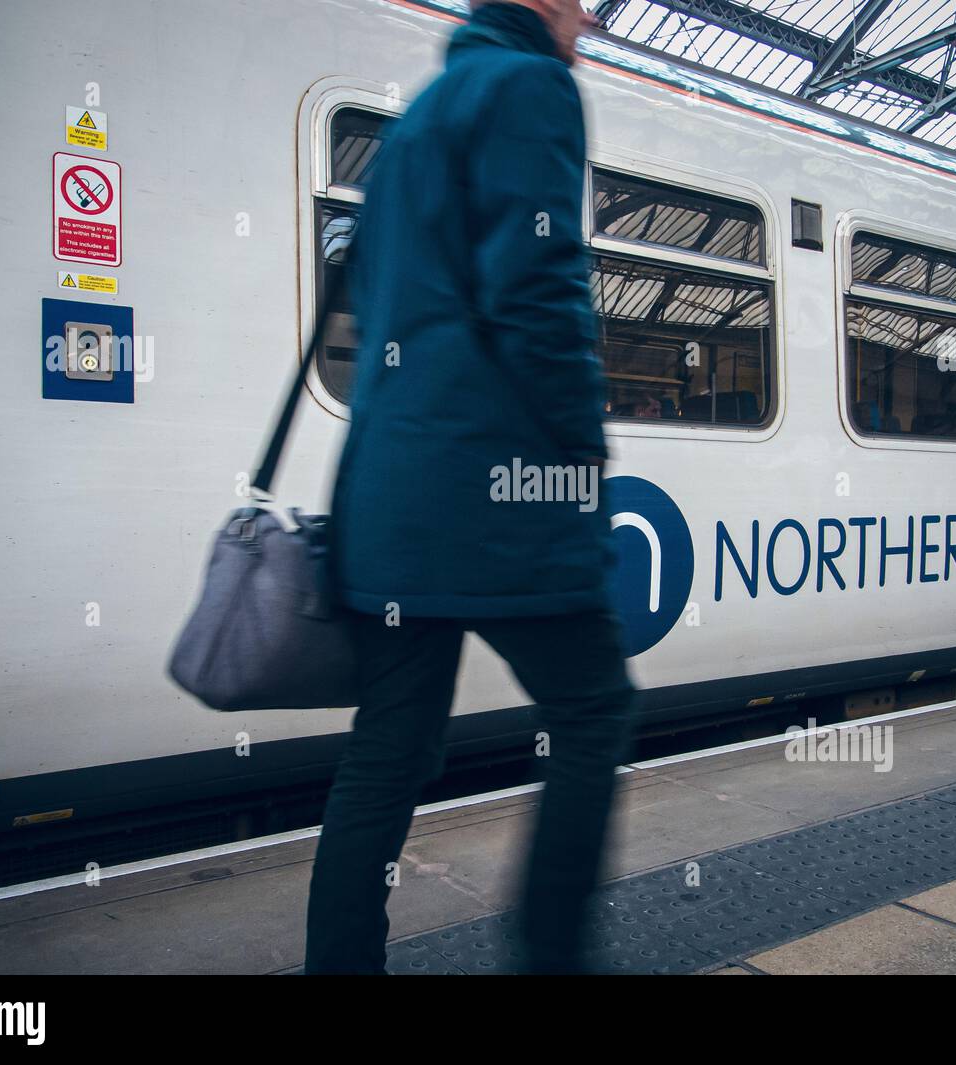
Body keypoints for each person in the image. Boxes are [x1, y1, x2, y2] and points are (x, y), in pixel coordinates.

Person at [304, 0, 635, 975]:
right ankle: (551, 958)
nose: (588, 23)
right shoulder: (532, 87)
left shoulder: (415, 122)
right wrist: (580, 454)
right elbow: (536, 289)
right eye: (580, 4)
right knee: (593, 710)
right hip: (496, 496)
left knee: (387, 754)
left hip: (385, 503)